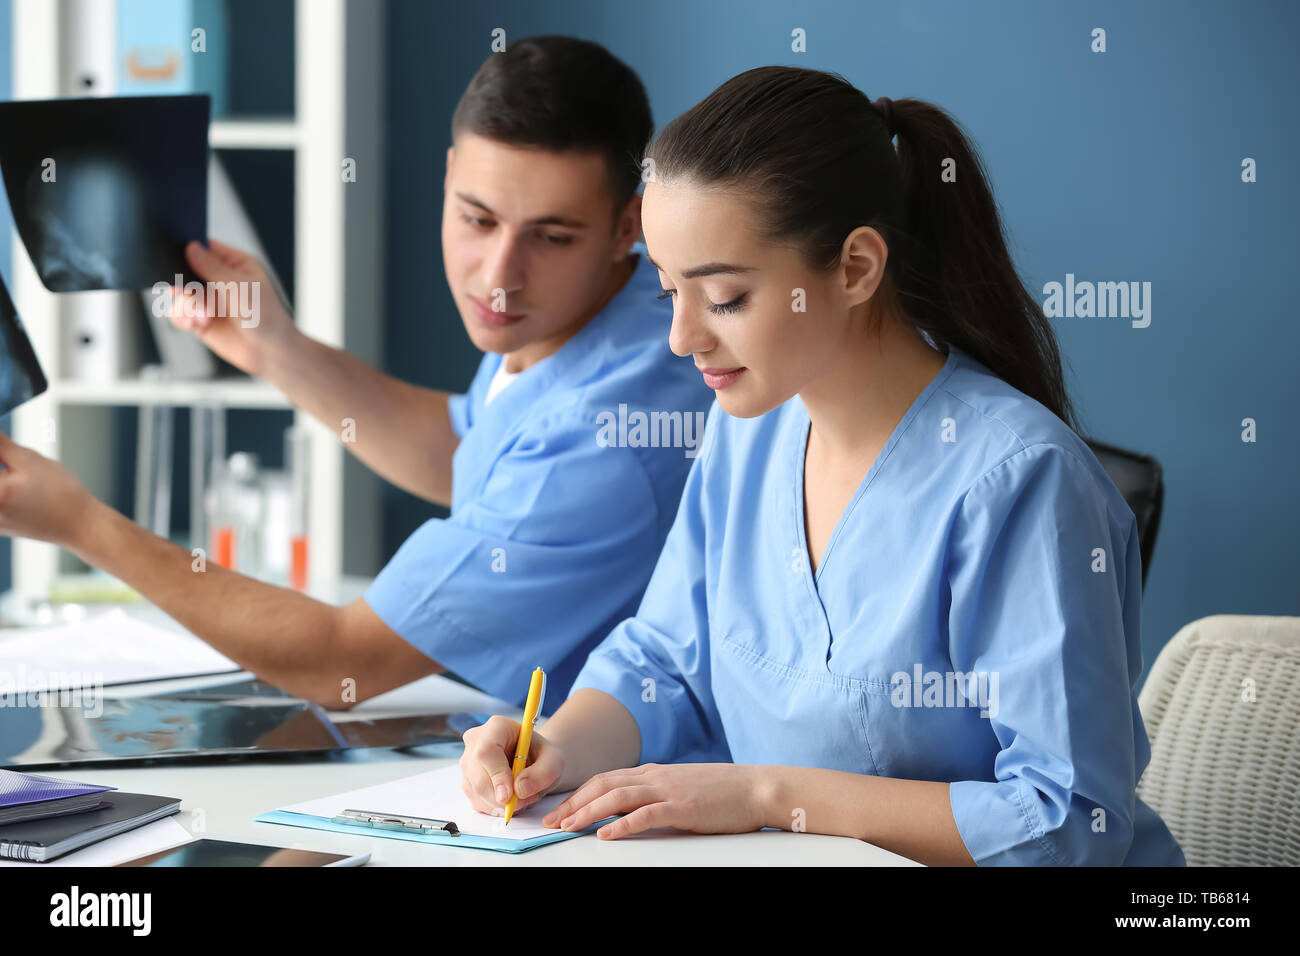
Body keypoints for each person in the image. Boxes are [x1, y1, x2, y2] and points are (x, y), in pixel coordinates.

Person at [458, 66, 1186, 866]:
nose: (683, 338)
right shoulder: (751, 430)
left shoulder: (1020, 482)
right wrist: (557, 745)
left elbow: (1066, 821)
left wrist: (770, 796)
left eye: (725, 298)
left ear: (855, 269)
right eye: (669, 292)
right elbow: (664, 659)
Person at [0, 36, 712, 713]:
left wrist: (80, 523)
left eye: (551, 237)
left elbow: (342, 663)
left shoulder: (605, 434)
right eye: (477, 219)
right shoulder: (606, 308)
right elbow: (466, 452)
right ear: (449, 176)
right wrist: (276, 349)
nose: (499, 277)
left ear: (629, 225)